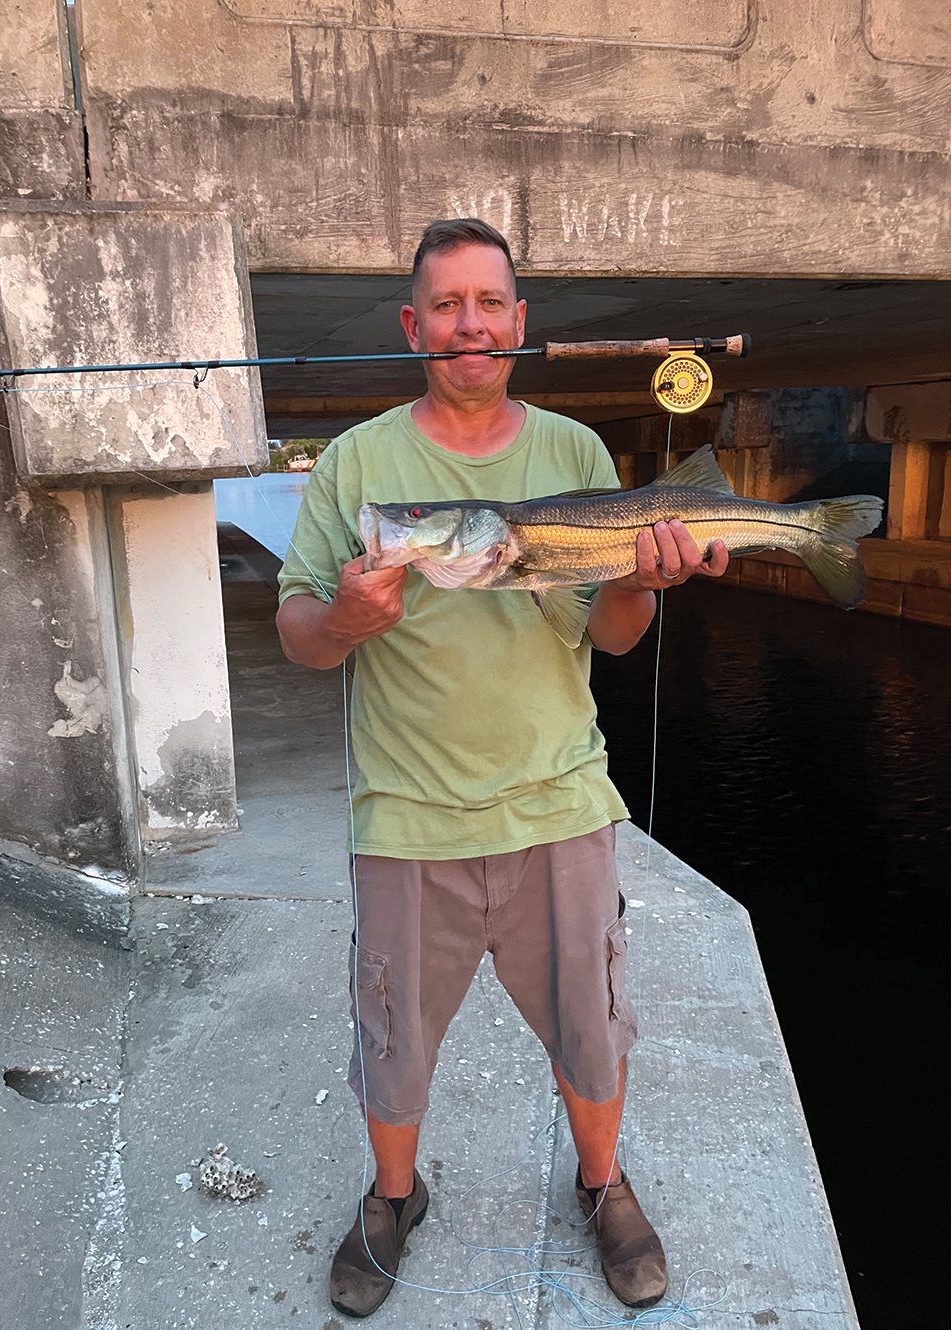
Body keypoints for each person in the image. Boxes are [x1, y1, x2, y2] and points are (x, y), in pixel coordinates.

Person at [275, 218, 729, 1319]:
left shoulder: (574, 454)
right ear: (412, 325)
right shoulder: (357, 464)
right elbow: (297, 631)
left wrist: (641, 581)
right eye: (446, 305)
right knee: (391, 1036)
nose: (468, 325)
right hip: (405, 816)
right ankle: (394, 1195)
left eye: (488, 303)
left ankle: (601, 1183)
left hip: (558, 801)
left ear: (518, 323)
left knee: (591, 1023)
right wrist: (341, 619)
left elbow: (611, 635)